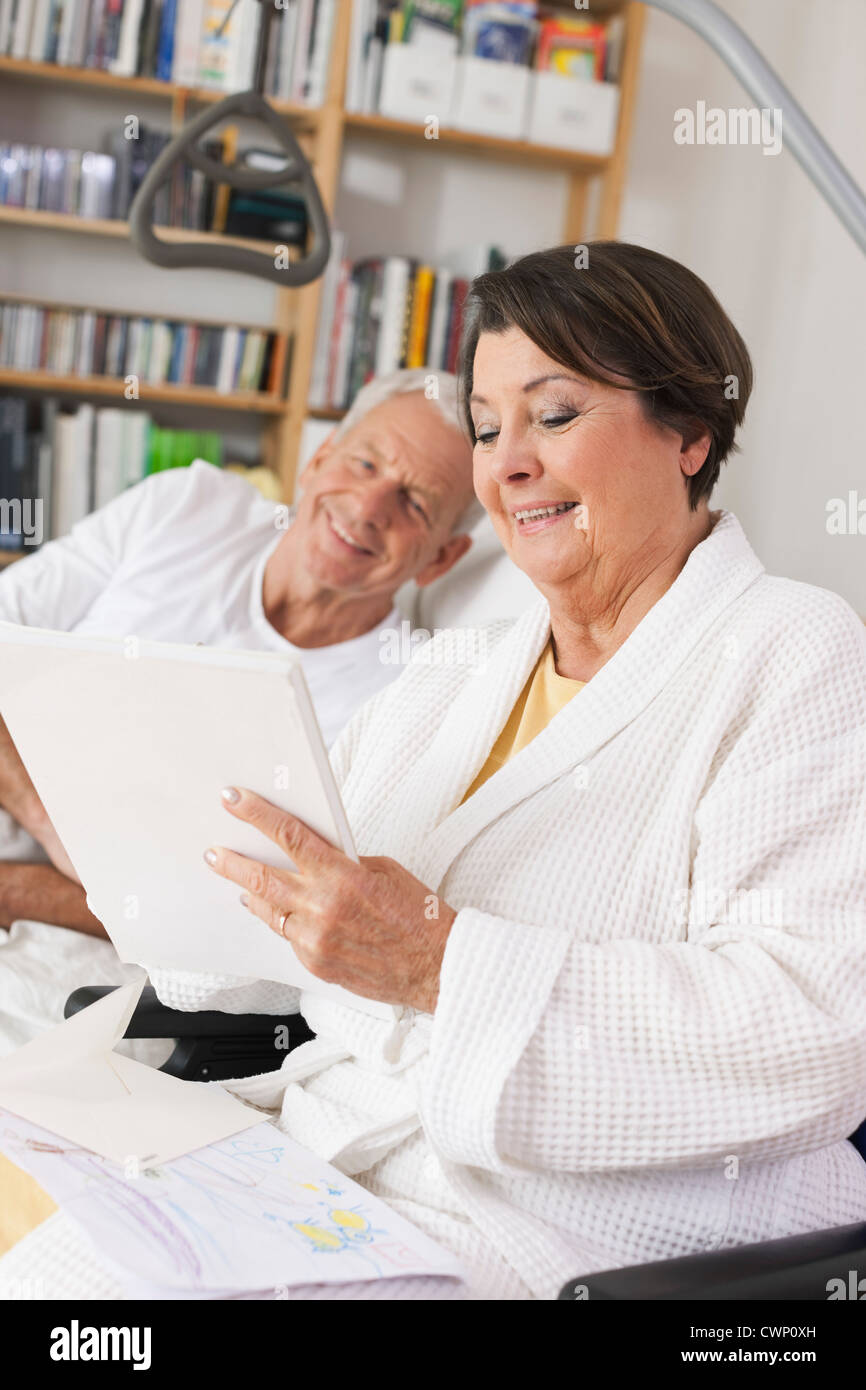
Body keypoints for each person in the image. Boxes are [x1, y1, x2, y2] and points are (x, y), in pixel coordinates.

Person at [5, 241, 866, 1300]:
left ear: (687, 432)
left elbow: (810, 1034)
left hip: (542, 1229)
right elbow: (246, 952)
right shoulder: (463, 672)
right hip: (321, 1162)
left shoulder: (789, 649)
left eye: (553, 417)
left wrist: (439, 962)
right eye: (489, 428)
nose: (506, 463)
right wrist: (181, 849)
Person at [0, 368, 479, 1051]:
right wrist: (54, 824)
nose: (369, 507)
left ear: (442, 559)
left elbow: (232, 916)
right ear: (319, 459)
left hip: (69, 929)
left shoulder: (405, 701)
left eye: (414, 503)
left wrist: (12, 889)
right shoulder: (188, 504)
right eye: (364, 463)